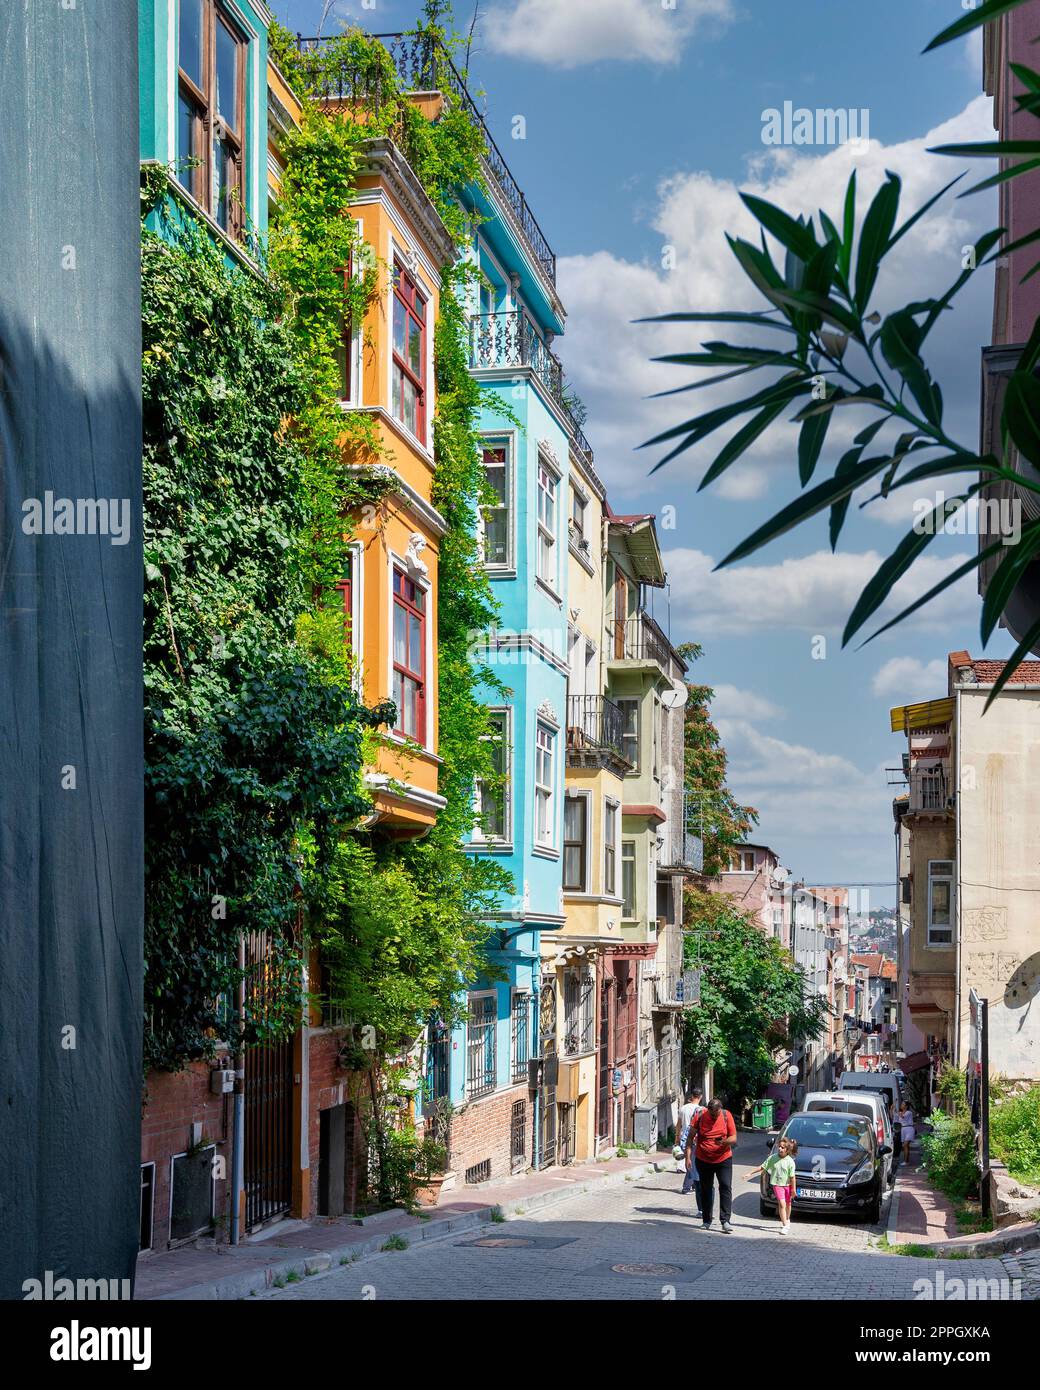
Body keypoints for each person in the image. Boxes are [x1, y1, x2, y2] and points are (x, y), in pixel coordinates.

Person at [685, 1096, 737, 1232]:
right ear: (708, 1110)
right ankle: (706, 1220)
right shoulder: (701, 1116)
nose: (714, 1117)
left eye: (716, 1114)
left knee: (725, 1187)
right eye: (712, 1114)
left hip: (723, 1158)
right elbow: (690, 1137)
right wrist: (688, 1157)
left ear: (721, 1109)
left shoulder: (726, 1115)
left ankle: (725, 1221)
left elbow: (733, 1138)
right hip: (703, 1159)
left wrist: (723, 1142)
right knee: (705, 1189)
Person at [746, 1136, 798, 1234]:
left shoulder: (790, 1161)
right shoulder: (773, 1158)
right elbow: (762, 1167)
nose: (780, 1149)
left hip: (787, 1185)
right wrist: (750, 1173)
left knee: (788, 1204)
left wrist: (793, 1189)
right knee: (782, 1204)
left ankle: (787, 1218)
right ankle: (785, 1225)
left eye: (783, 1147)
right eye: (779, 1146)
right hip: (777, 1185)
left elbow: (792, 1177)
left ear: (787, 1150)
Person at [677, 1088, 704, 1206]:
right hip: (695, 1139)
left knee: (692, 1162)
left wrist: (676, 1138)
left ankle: (693, 1184)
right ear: (700, 1097)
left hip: (684, 1138)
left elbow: (678, 1125)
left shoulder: (683, 1108)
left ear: (692, 1096)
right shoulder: (702, 1110)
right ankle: (687, 1186)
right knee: (692, 1163)